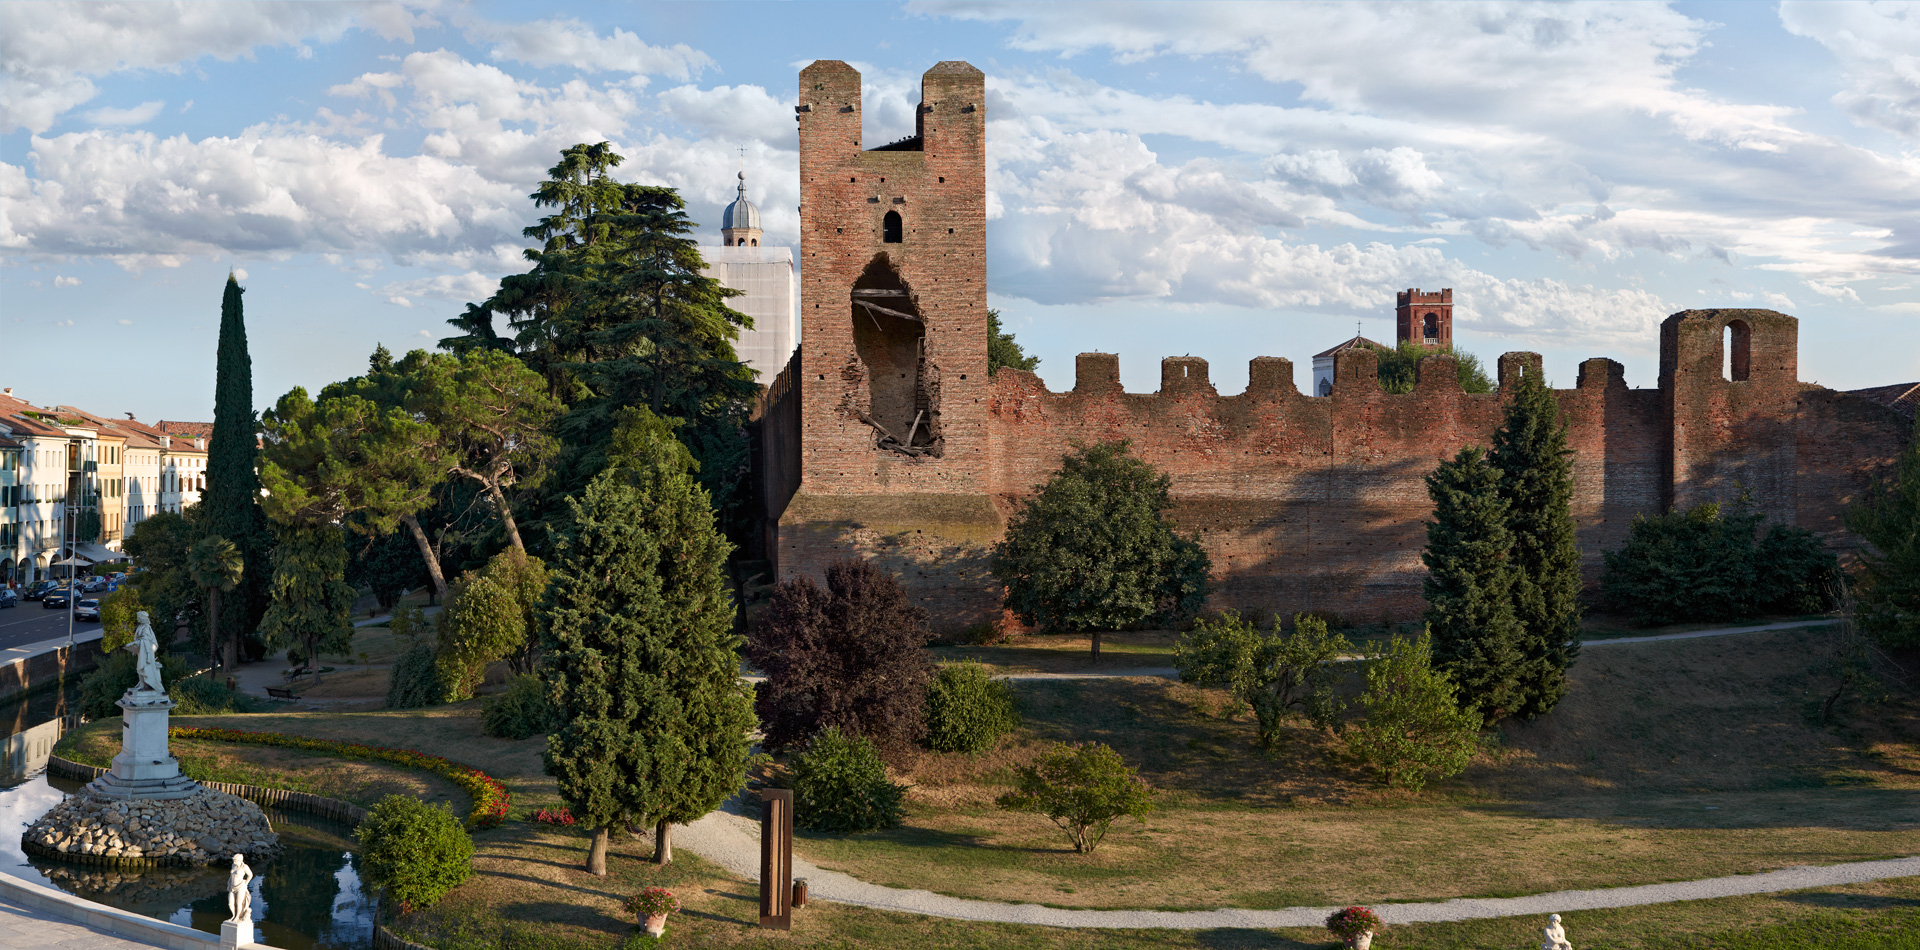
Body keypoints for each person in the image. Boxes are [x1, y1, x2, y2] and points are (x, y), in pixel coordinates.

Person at [227, 854, 254, 923]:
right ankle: (233, 915)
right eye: (233, 860)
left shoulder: (244, 866)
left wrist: (246, 883)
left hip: (240, 886)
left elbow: (250, 875)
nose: (233, 861)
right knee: (230, 903)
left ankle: (237, 917)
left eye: (235, 860)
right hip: (232, 886)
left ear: (239, 860)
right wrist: (229, 883)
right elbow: (231, 875)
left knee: (239, 903)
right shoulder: (233, 865)